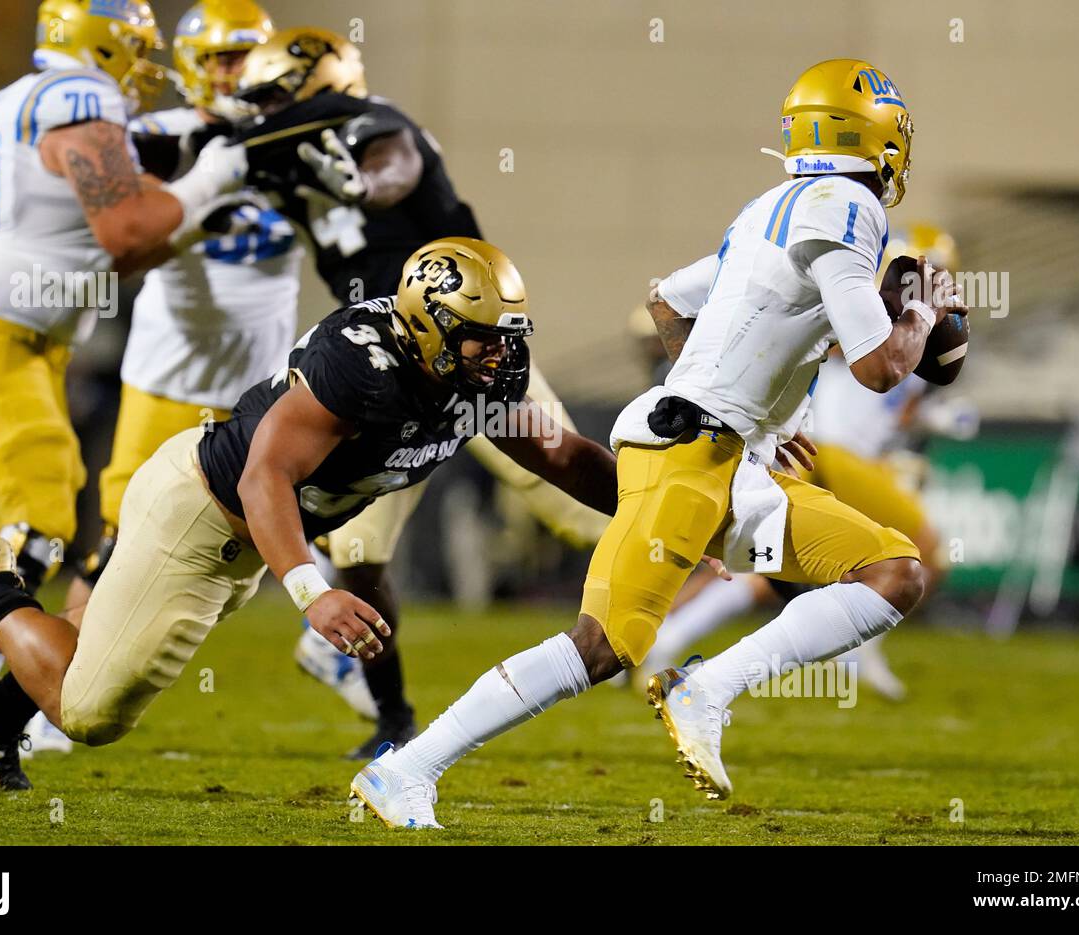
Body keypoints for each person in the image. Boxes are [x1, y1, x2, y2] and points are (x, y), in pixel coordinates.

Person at [348, 58, 966, 829]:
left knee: (892, 571)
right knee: (598, 646)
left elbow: (665, 300)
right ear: (878, 136)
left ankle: (707, 687)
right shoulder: (849, 206)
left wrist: (744, 412)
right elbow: (881, 367)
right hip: (687, 452)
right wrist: (919, 314)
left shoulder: (774, 204)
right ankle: (406, 768)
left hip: (722, 451)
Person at [0, 238, 618, 793]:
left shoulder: (479, 372)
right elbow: (268, 473)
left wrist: (654, 522)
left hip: (247, 535)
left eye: (505, 336)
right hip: (202, 510)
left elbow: (565, 458)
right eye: (479, 336)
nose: (497, 355)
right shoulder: (360, 361)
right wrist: (313, 590)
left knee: (101, 647)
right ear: (428, 324)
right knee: (87, 714)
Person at [0, 0, 254, 755]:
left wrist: (201, 178)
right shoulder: (80, 96)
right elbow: (125, 227)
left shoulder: (33, 99)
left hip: (28, 337)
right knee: (30, 532)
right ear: (98, 42)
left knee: (35, 531)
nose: (143, 63)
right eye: (134, 45)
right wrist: (216, 177)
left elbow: (118, 250)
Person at [229, 28, 608, 755]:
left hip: (470, 363)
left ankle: (759, 597)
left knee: (585, 505)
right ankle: (394, 720)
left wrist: (351, 184)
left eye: (279, 95)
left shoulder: (375, 125)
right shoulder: (280, 165)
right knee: (358, 549)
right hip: (387, 378)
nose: (269, 111)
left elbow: (392, 168)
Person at [637, 226, 966, 700]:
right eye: (931, 270)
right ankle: (852, 649)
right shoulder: (879, 310)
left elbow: (894, 403)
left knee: (769, 561)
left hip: (838, 453)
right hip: (826, 451)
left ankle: (670, 635)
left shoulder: (905, 324)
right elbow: (854, 354)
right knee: (921, 551)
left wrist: (930, 414)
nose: (939, 281)